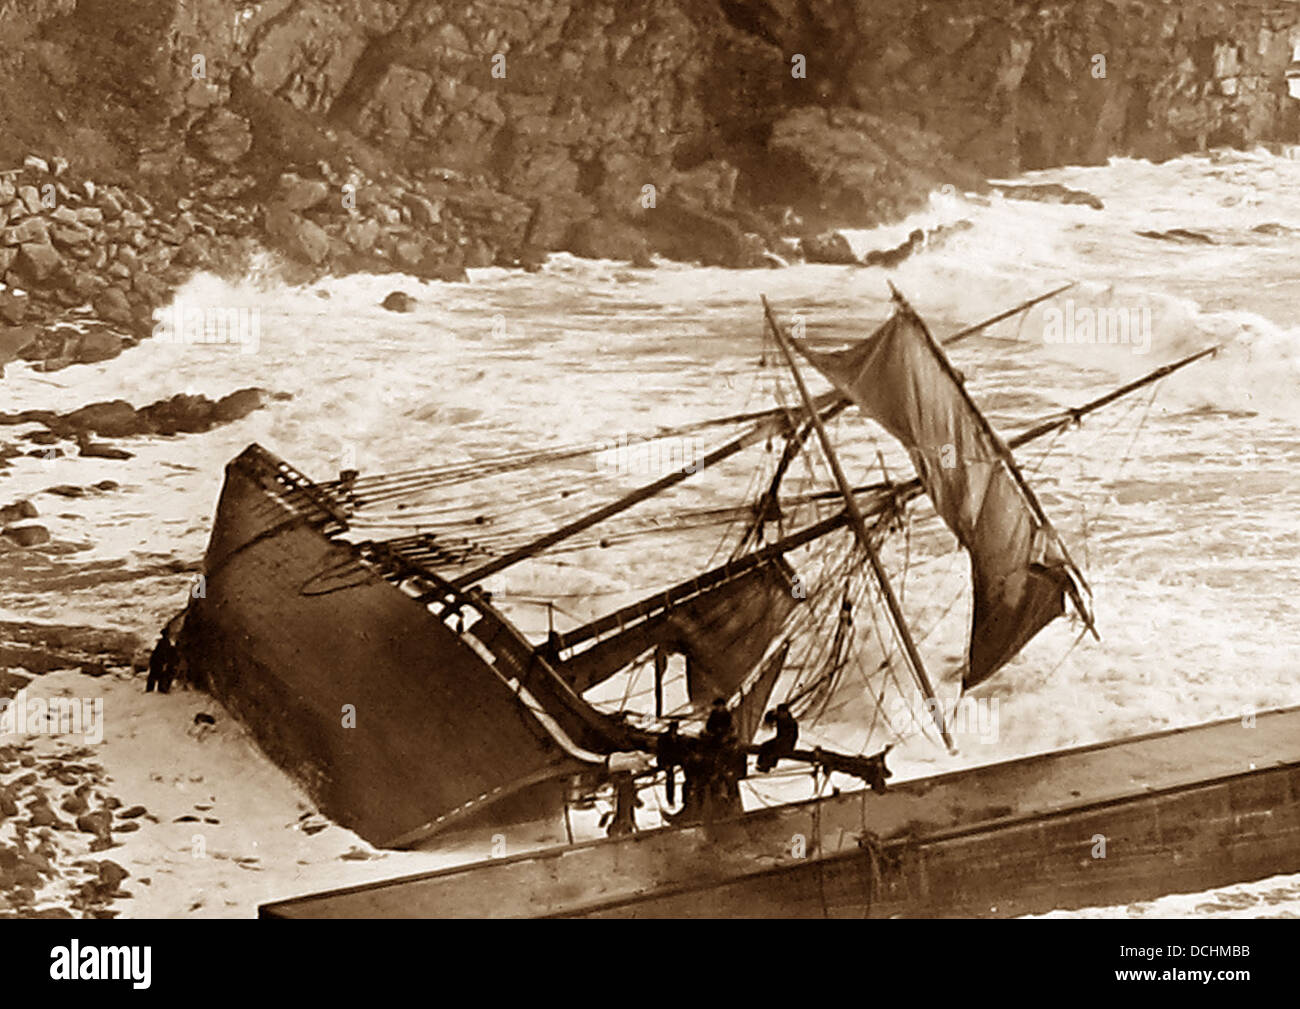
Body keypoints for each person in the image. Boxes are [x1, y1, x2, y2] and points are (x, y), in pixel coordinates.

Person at [756, 702, 798, 772]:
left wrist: (779, 742)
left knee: (772, 748)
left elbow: (792, 737)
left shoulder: (791, 723)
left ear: (785, 712)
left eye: (781, 712)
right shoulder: (780, 719)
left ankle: (767, 766)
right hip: (780, 740)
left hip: (788, 743)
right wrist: (771, 714)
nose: (779, 714)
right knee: (765, 745)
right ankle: (761, 764)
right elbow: (770, 717)